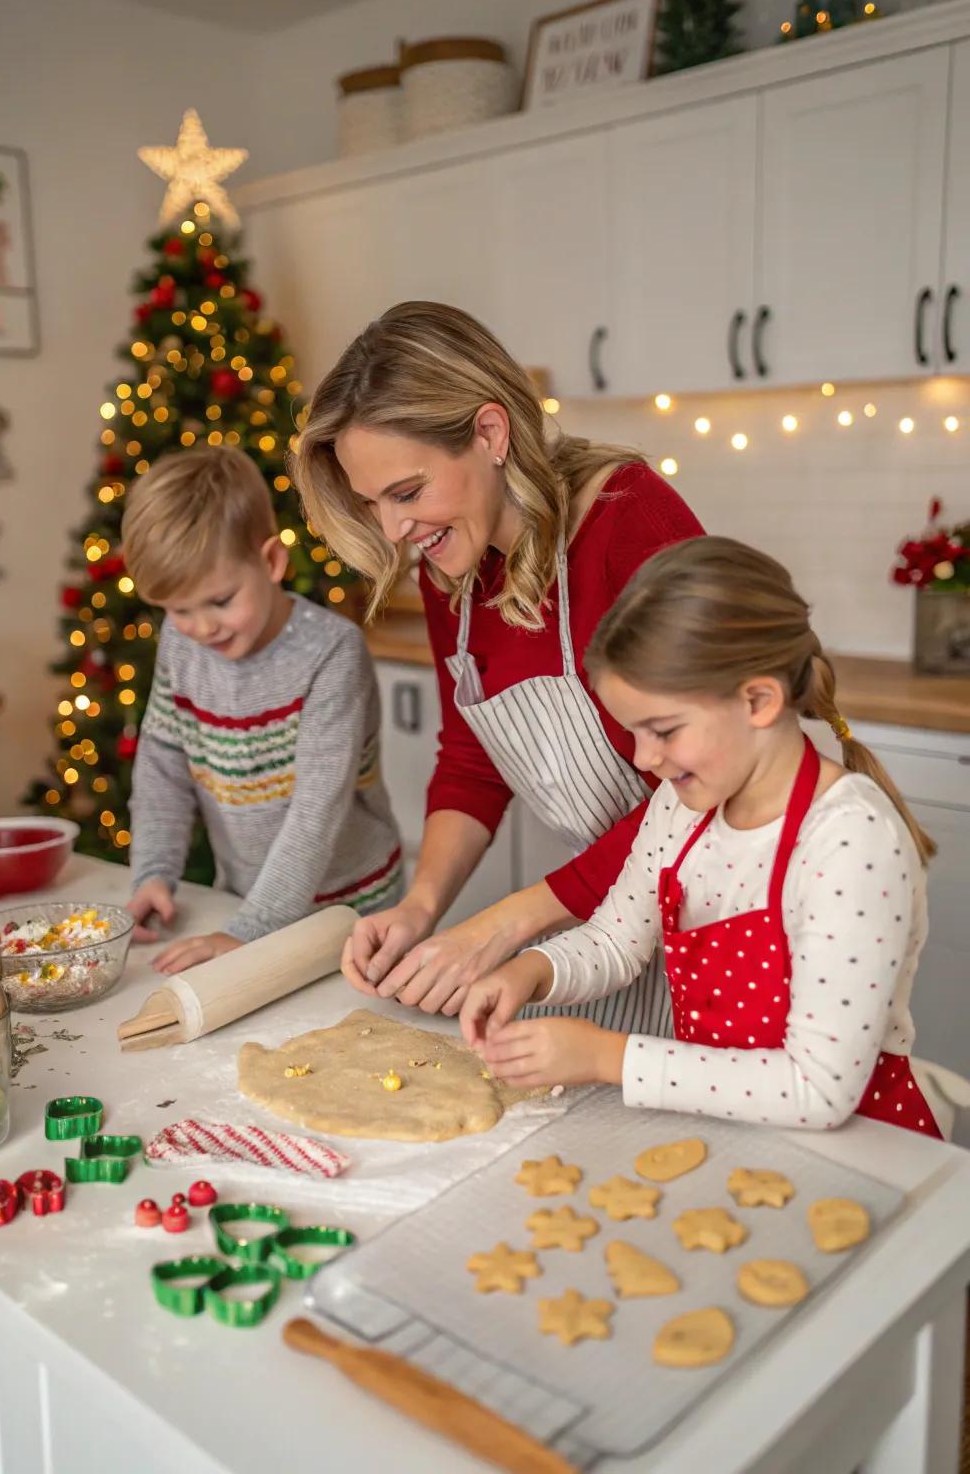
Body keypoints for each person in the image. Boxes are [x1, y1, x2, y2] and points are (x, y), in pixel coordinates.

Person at [295, 300, 702, 1031]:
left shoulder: (629, 519)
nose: (394, 531)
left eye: (407, 493)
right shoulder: (451, 567)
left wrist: (510, 921)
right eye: (372, 504)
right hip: (606, 923)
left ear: (489, 432)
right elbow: (472, 762)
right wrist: (420, 906)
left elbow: (700, 787)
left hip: (724, 916)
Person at [459, 536, 941, 1137]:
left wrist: (608, 1057)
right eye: (633, 731)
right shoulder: (680, 808)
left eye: (663, 729)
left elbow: (818, 1088)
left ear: (759, 700)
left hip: (861, 1147)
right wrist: (529, 970)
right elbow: (614, 941)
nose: (644, 757)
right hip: (726, 1129)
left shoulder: (850, 840)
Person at [121, 446, 402, 973]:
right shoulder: (180, 648)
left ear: (272, 562)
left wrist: (250, 931)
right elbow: (162, 767)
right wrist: (154, 873)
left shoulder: (332, 654)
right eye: (180, 610)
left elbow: (316, 812)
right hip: (247, 904)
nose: (202, 628)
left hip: (352, 912)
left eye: (221, 601)